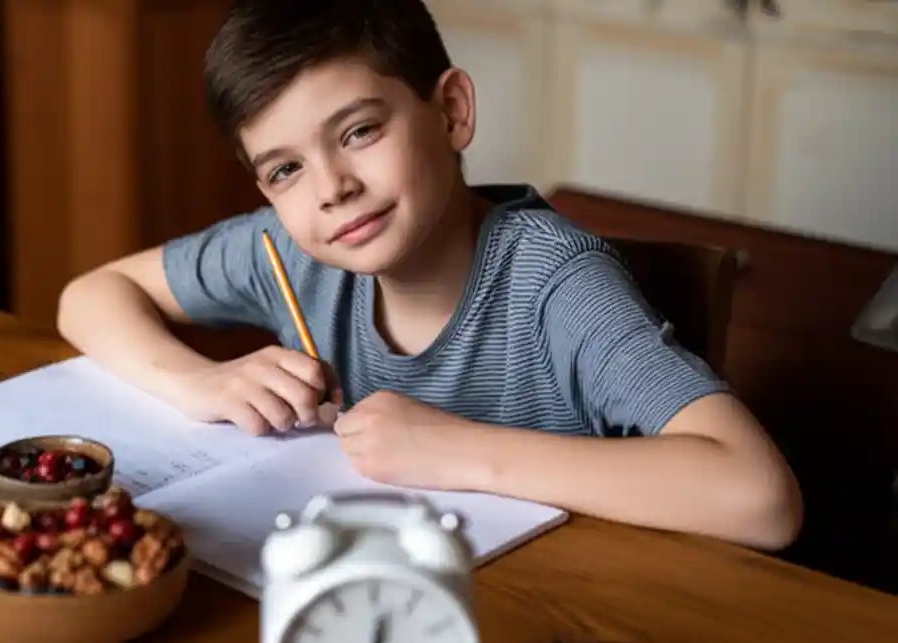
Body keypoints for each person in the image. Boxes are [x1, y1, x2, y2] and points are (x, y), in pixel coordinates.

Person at [57, 0, 802, 550]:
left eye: (358, 132)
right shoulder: (291, 254)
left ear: (450, 111)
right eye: (285, 170)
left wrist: (456, 449)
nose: (331, 187)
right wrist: (202, 384)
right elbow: (88, 298)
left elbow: (759, 496)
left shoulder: (554, 281)